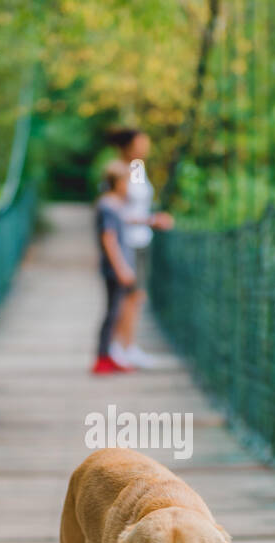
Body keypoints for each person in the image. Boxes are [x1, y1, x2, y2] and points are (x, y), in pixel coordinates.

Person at [104, 128, 174, 369]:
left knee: (137, 296)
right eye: (141, 143)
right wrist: (152, 221)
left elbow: (138, 206)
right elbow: (116, 211)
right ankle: (118, 347)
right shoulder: (117, 171)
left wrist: (151, 219)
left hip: (142, 240)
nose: (146, 147)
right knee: (128, 296)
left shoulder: (136, 170)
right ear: (129, 146)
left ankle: (126, 346)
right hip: (128, 242)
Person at [92, 159, 137, 375]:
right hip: (114, 270)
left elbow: (128, 221)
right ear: (117, 182)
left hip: (116, 268)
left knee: (115, 312)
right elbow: (108, 238)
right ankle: (102, 358)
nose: (128, 186)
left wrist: (152, 220)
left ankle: (108, 355)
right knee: (113, 313)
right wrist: (121, 268)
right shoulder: (108, 206)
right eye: (126, 182)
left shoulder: (114, 205)